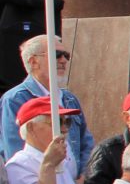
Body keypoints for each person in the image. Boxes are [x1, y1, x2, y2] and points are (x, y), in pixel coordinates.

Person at [0, 35, 93, 172]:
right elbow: (14, 149)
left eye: (66, 55)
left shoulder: (70, 99)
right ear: (33, 62)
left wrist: (83, 176)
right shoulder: (15, 99)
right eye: (57, 55)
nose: (63, 60)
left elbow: (87, 142)